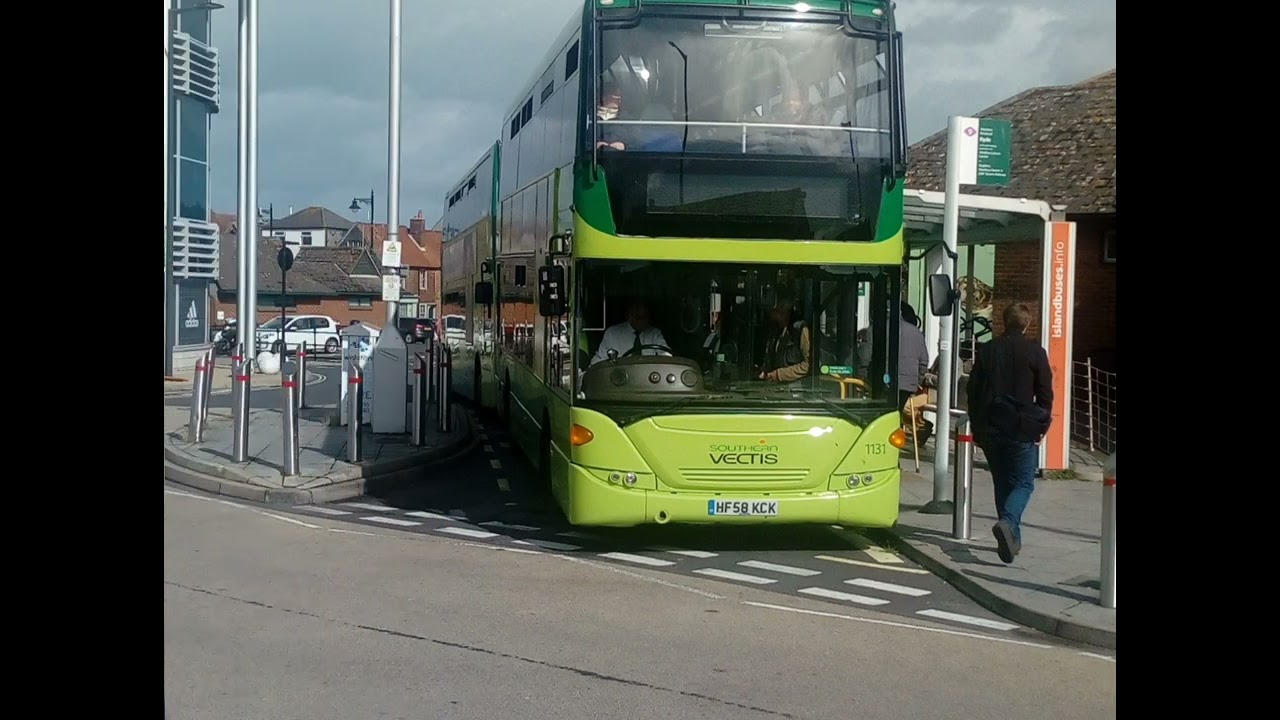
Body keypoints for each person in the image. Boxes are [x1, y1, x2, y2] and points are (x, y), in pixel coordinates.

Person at [965, 302, 1054, 564]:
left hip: (992, 427)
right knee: (1024, 483)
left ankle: (1011, 541)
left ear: (1004, 321)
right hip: (1021, 428)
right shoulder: (1035, 352)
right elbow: (1045, 394)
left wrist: (977, 426)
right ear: (1027, 324)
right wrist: (1042, 425)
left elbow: (973, 391)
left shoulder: (988, 350)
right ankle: (1008, 523)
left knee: (1002, 483)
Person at [589, 299, 669, 366]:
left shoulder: (655, 333)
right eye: (638, 317)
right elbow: (600, 358)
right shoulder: (612, 333)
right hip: (619, 375)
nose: (641, 321)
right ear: (629, 316)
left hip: (648, 376)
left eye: (644, 317)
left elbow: (665, 354)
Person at [759, 293, 811, 383]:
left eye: (775, 311)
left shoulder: (801, 330)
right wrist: (763, 372)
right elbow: (771, 363)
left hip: (799, 388)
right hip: (775, 387)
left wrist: (779, 375)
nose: (770, 315)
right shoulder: (775, 332)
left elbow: (808, 365)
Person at [898, 302, 930, 409]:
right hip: (908, 385)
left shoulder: (878, 328)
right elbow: (923, 362)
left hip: (883, 382)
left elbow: (865, 358)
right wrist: (916, 381)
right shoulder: (917, 333)